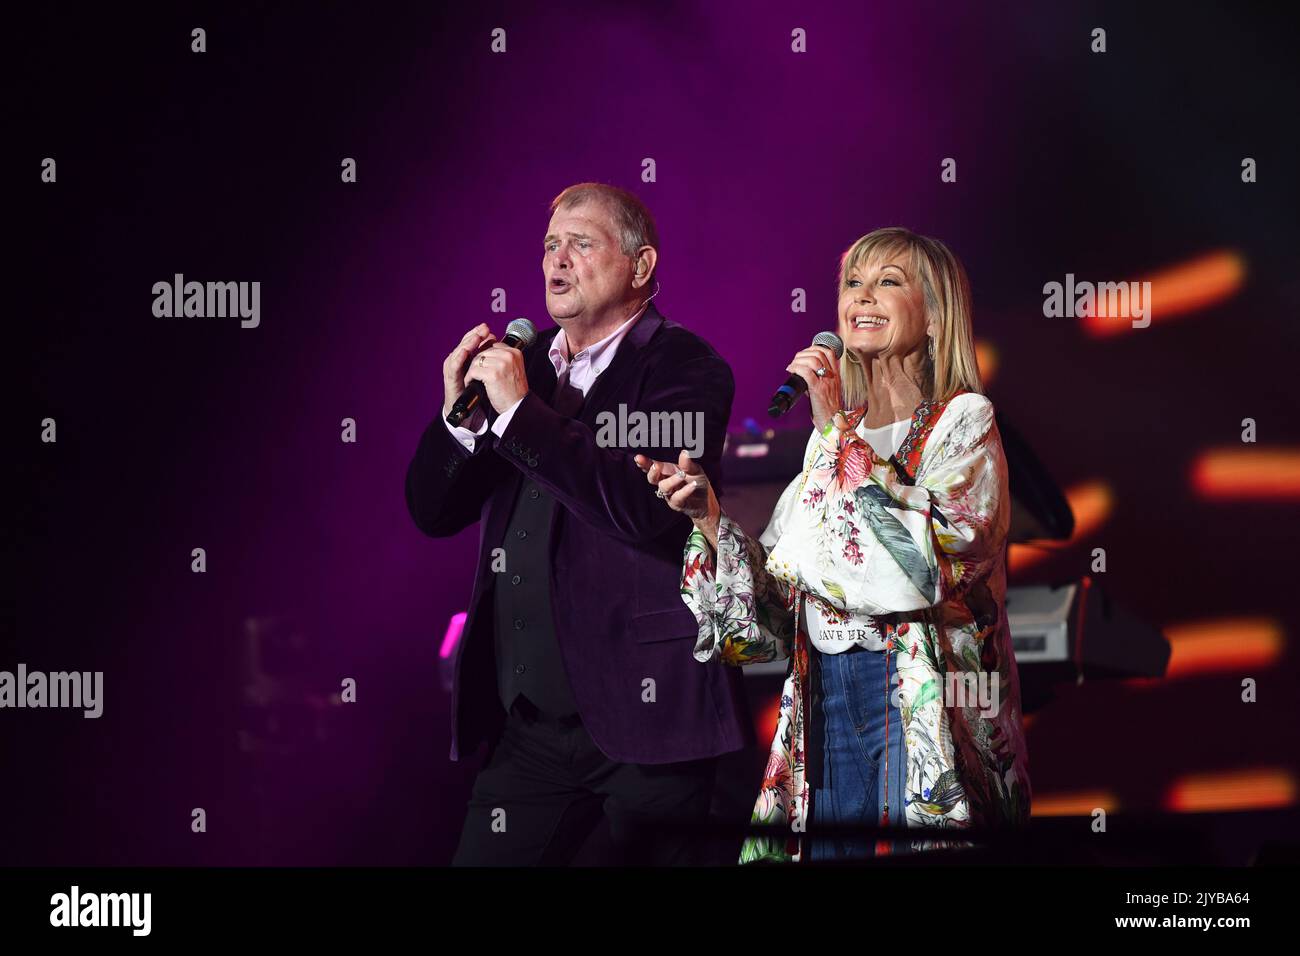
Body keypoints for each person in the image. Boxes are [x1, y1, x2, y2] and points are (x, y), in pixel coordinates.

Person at [637, 227, 1031, 863]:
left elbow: (919, 568)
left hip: (912, 697)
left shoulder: (964, 422)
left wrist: (833, 432)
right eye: (853, 282)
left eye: (887, 281)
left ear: (935, 315)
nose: (862, 297)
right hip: (825, 689)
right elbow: (766, 617)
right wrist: (709, 517)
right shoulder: (828, 446)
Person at [405, 182, 748, 865]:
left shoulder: (684, 365)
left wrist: (518, 415)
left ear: (640, 267)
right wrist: (460, 421)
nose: (556, 262)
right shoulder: (521, 369)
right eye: (549, 246)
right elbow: (431, 512)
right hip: (529, 724)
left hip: (651, 723)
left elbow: (642, 507)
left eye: (581, 244)